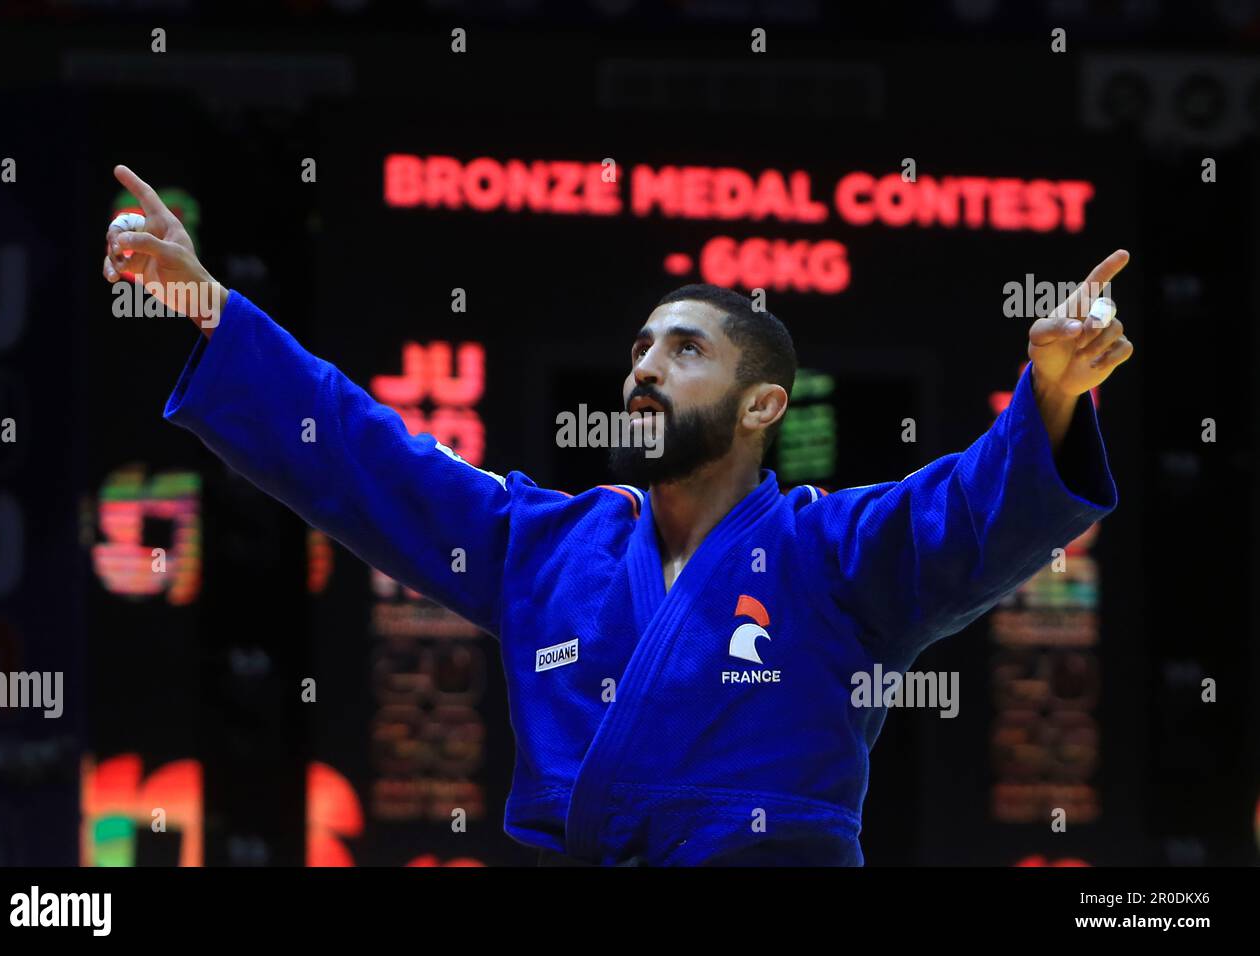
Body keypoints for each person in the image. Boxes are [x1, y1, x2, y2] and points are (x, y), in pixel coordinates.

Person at [102, 164, 1131, 865]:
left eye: (685, 351)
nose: (645, 367)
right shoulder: (542, 546)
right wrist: (211, 308)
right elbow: (372, 459)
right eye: (640, 348)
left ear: (763, 404)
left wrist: (1044, 395)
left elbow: (968, 512)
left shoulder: (831, 553)